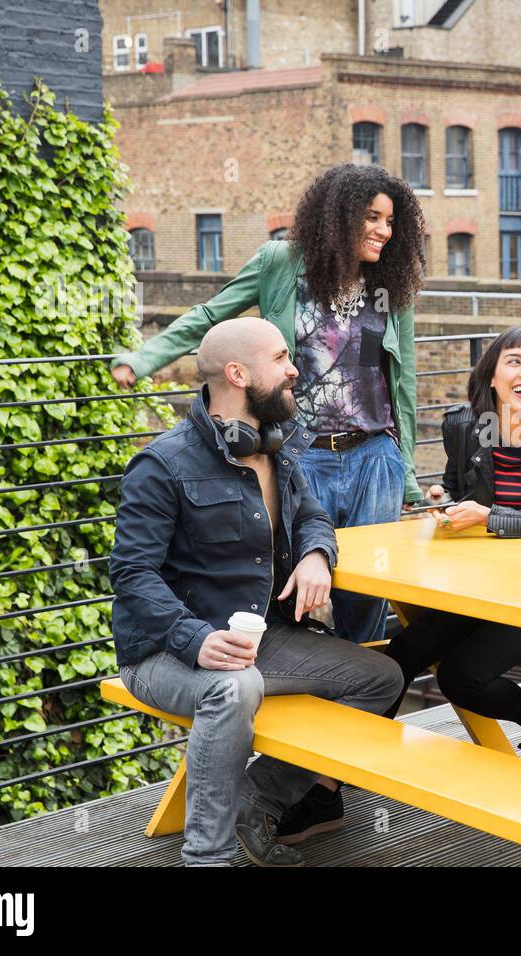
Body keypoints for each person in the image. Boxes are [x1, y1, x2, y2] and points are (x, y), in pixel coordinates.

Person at [109, 317, 404, 866]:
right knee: (233, 689)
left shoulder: (277, 447)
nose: (296, 369)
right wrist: (195, 639)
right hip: (164, 653)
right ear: (238, 373)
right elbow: (131, 574)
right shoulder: (162, 465)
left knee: (382, 677)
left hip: (260, 639)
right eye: (281, 358)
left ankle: (255, 799)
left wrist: (318, 552)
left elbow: (312, 514)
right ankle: (207, 855)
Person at [111, 163, 427, 645]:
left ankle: (360, 696)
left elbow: (399, 386)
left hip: (373, 460)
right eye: (372, 218)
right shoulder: (281, 263)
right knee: (291, 591)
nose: (384, 231)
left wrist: (407, 476)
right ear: (340, 215)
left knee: (365, 599)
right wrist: (144, 358)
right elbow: (211, 317)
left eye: (390, 222)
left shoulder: (388, 286)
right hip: (300, 455)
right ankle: (302, 693)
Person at [384, 327, 521, 770]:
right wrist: (442, 503)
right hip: (483, 589)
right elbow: (454, 488)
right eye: (514, 361)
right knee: (401, 655)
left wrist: (487, 517)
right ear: (492, 378)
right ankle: (339, 777)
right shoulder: (465, 426)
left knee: (461, 677)